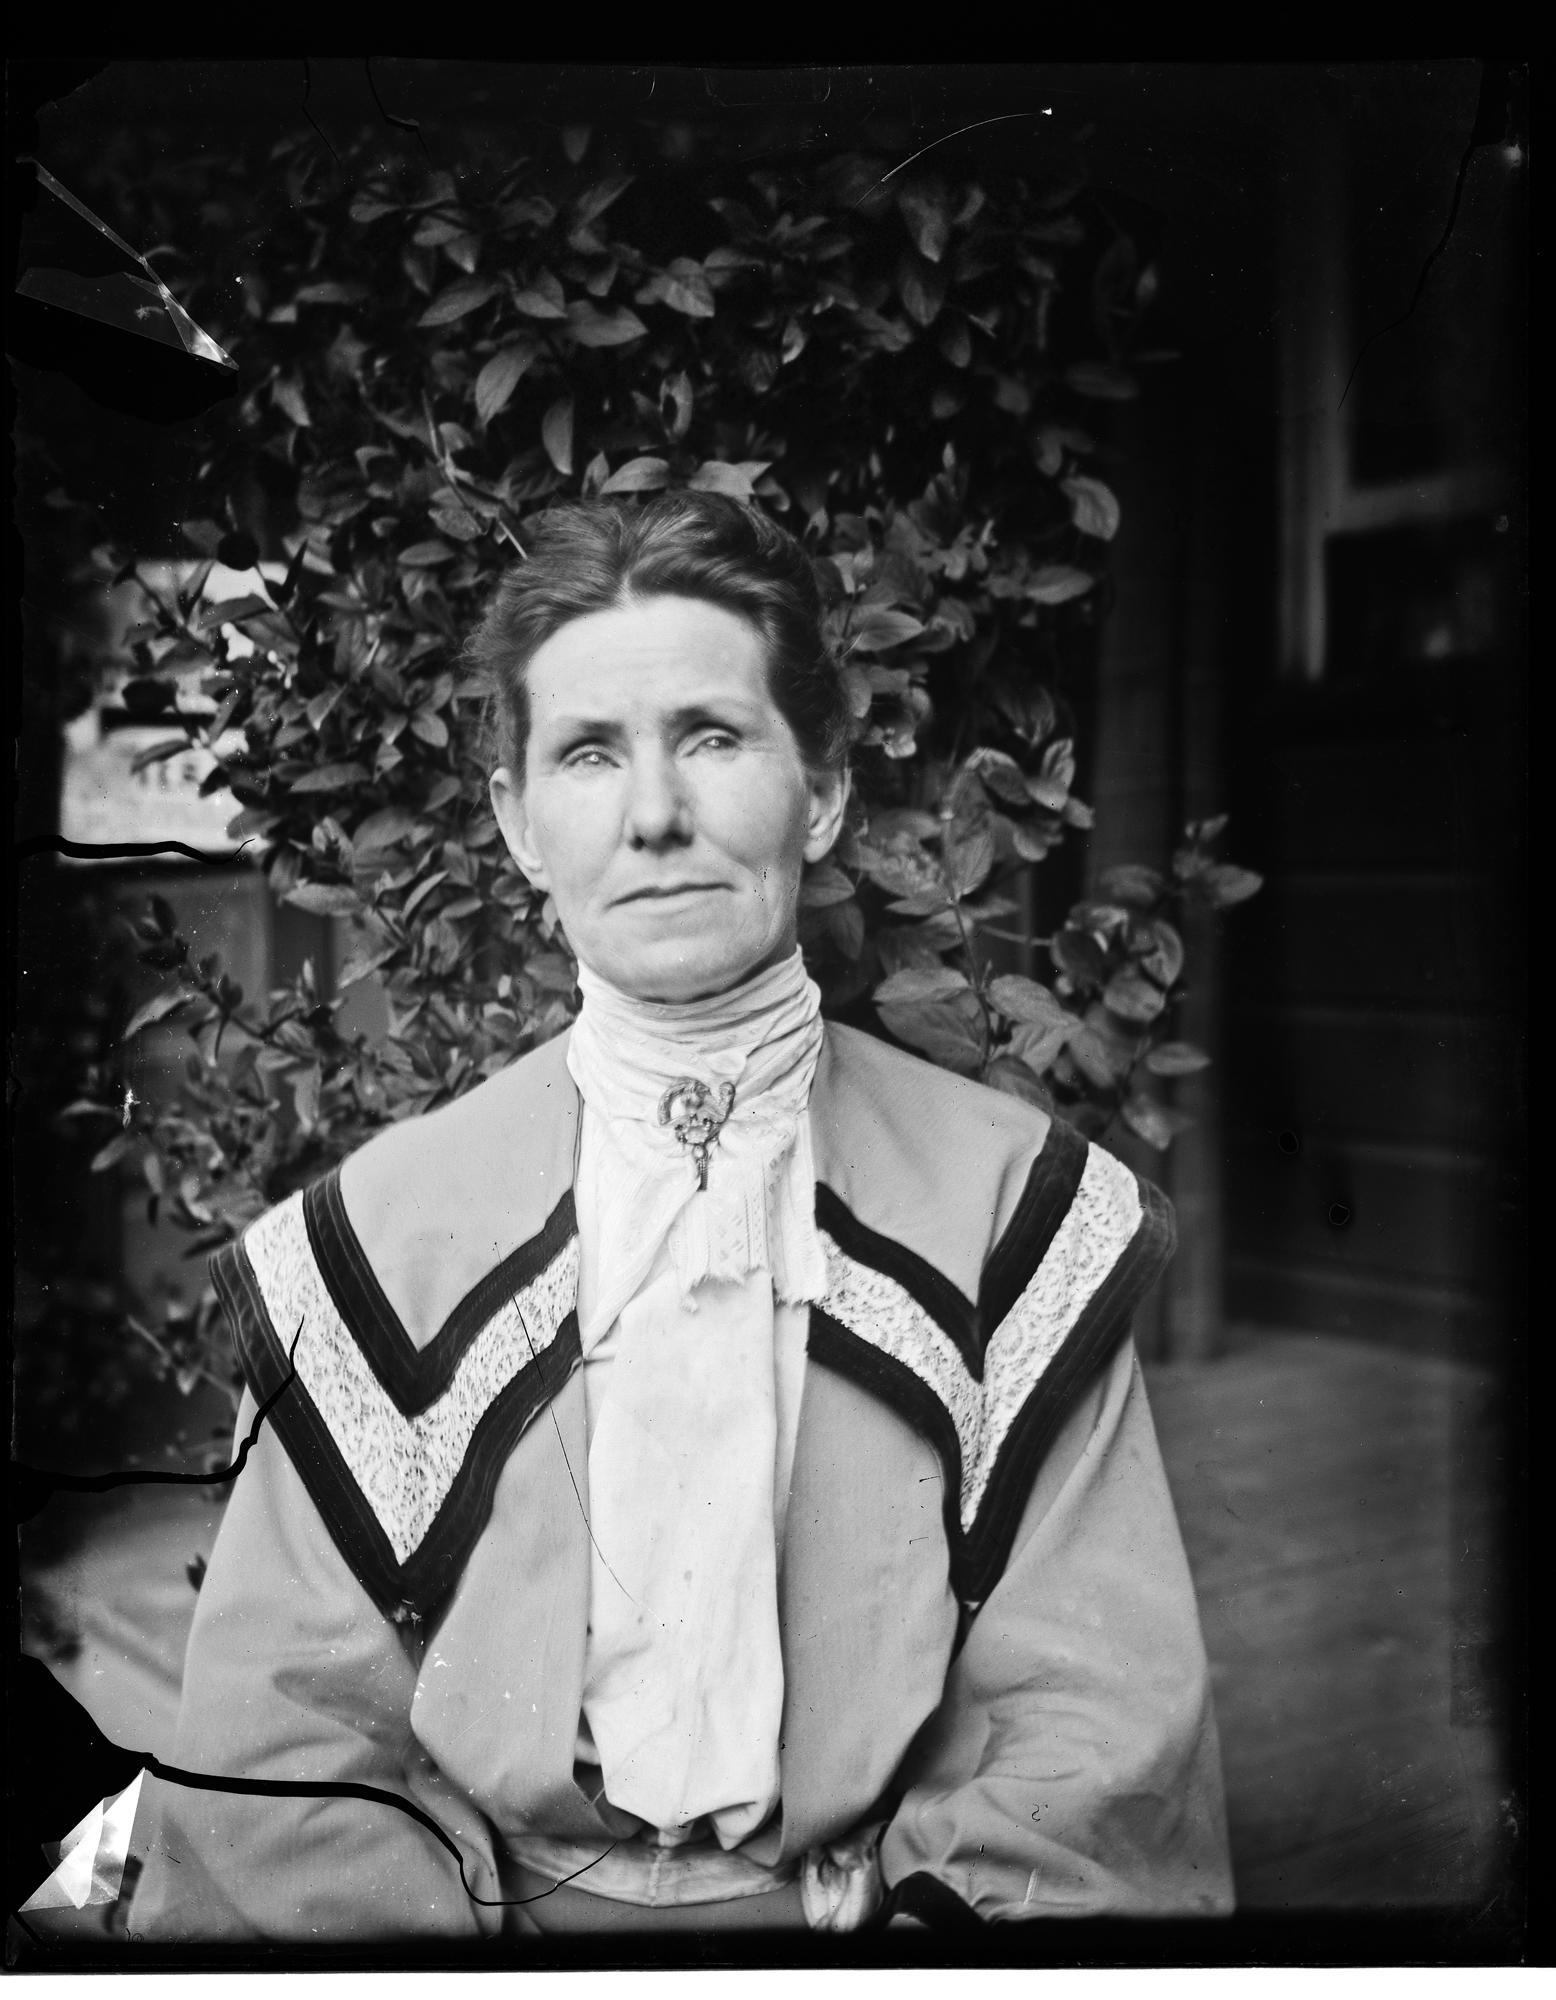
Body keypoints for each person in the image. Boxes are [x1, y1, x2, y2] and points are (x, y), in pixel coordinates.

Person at [127, 493, 1233, 1942]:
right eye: (591, 754)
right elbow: (284, 1754)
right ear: (521, 822)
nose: (655, 815)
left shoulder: (1008, 1215)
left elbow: (1093, 1735)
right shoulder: (383, 1239)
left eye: (711, 737)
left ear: (823, 787)